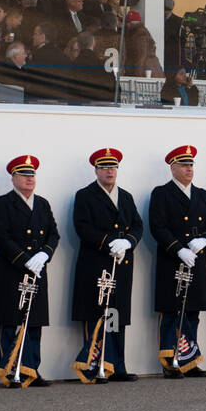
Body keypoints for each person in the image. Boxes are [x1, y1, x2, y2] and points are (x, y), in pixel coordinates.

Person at [71, 148, 142, 383]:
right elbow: (83, 227)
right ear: (96, 170)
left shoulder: (126, 196)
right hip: (97, 263)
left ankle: (117, 365)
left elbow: (137, 226)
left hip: (121, 263)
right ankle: (96, 364)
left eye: (113, 167)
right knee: (97, 314)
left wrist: (128, 242)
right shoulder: (85, 195)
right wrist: (110, 242)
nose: (110, 171)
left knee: (117, 316)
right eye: (104, 167)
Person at [0, 155, 59, 388]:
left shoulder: (42, 204)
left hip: (38, 270)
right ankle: (10, 370)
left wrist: (44, 254)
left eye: (32, 175)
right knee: (12, 321)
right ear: (13, 179)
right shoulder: (2, 203)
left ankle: (31, 369)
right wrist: (25, 260)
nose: (30, 179)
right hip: (13, 270)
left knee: (35, 322)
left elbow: (53, 234)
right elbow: (1, 236)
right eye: (24, 175)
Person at [148, 145, 206, 378]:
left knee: (192, 313)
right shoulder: (161, 193)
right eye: (184, 165)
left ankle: (189, 359)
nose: (189, 169)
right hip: (173, 261)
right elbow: (158, 226)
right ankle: (170, 362)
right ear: (173, 168)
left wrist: (205, 240)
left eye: (191, 165)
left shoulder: (201, 194)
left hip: (196, 260)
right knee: (171, 312)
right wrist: (178, 249)